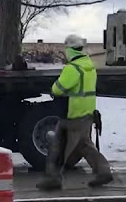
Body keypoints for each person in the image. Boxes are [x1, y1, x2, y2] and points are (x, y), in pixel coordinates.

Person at [38, 34, 113, 190]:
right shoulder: (89, 66)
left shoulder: (72, 69)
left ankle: (54, 179)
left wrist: (55, 86)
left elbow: (57, 89)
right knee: (79, 145)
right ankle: (102, 171)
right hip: (86, 112)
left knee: (60, 147)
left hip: (72, 114)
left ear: (70, 50)